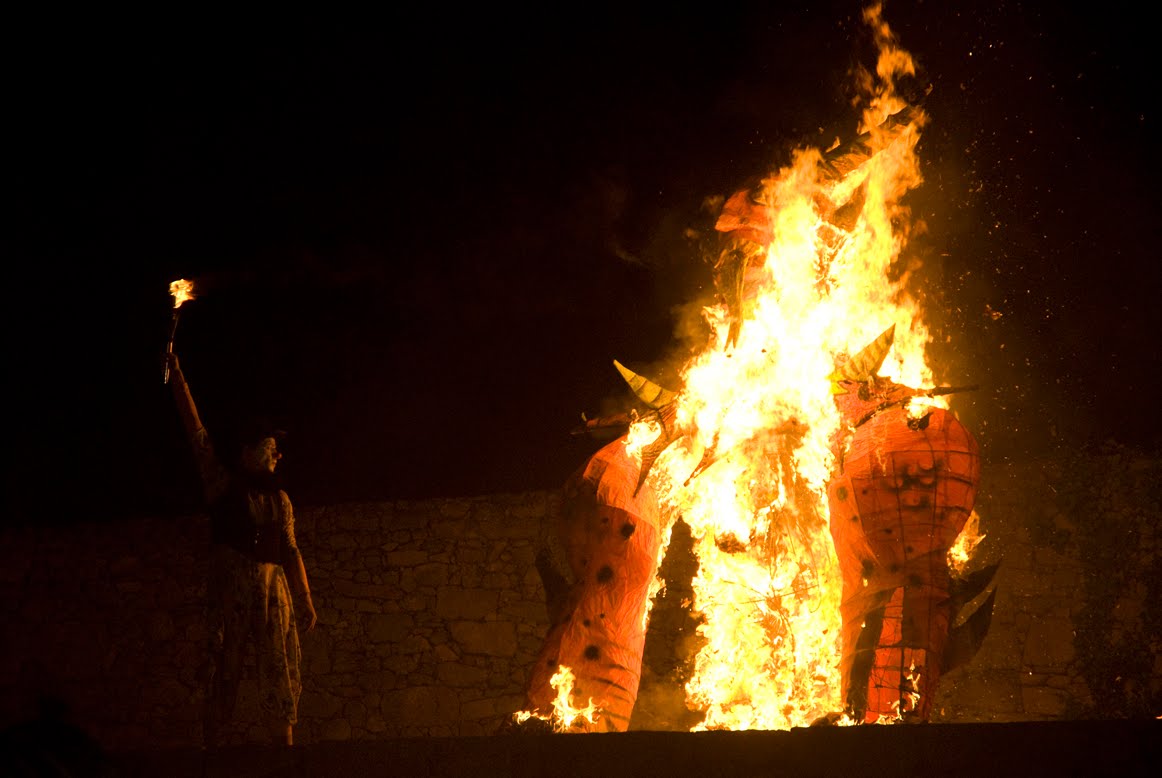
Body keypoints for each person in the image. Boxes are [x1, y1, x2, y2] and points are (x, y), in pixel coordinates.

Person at [165, 351, 317, 748]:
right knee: (223, 668)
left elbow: (290, 549)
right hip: (231, 590)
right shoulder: (222, 485)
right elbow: (196, 433)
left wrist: (304, 597)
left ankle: (284, 756)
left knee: (277, 669)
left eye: (276, 450)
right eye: (269, 448)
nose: (276, 455)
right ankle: (210, 757)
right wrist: (179, 378)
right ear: (247, 453)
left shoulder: (280, 499)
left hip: (271, 592)